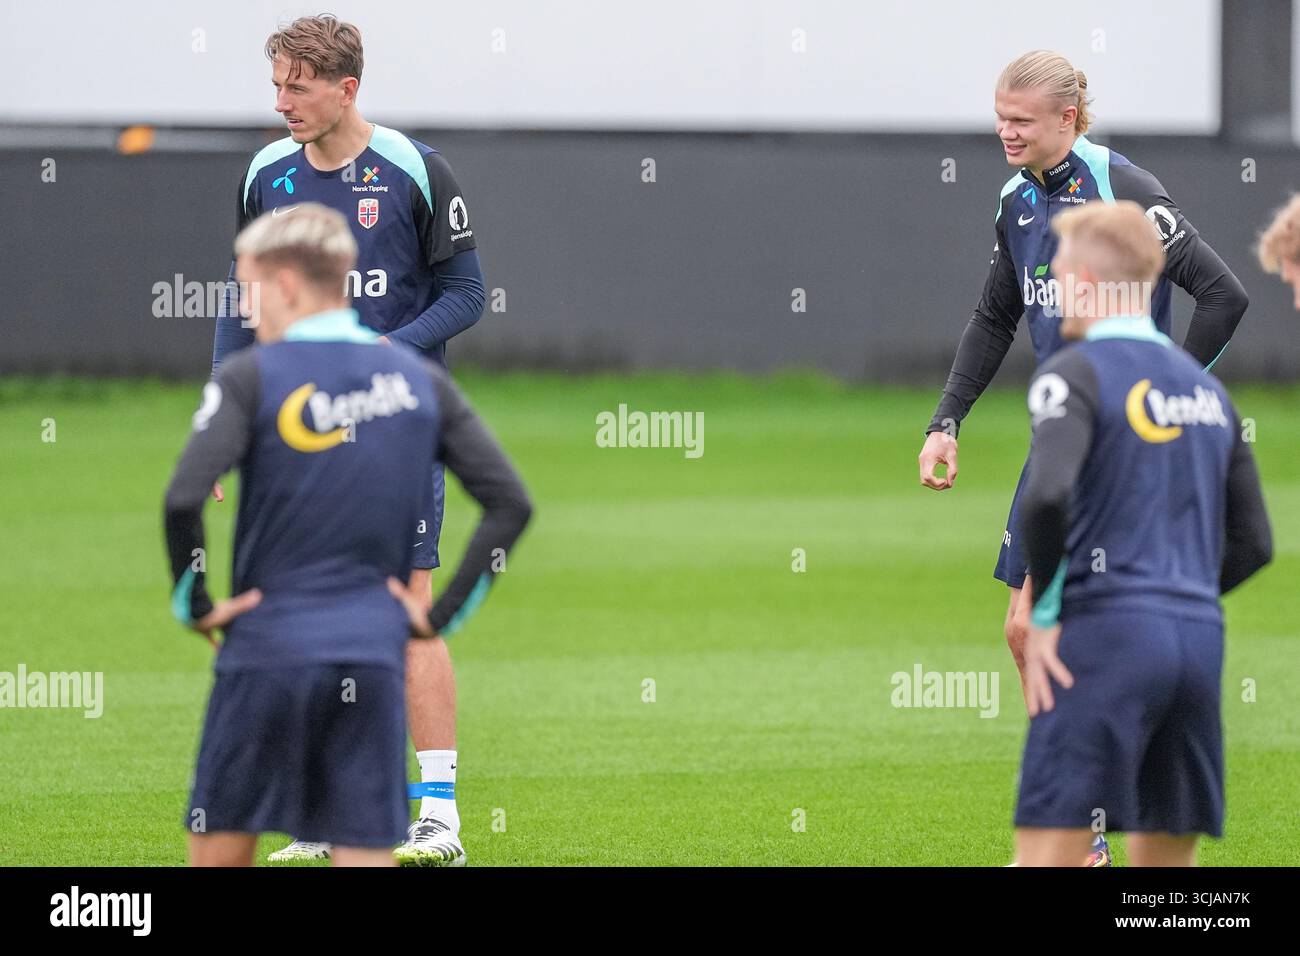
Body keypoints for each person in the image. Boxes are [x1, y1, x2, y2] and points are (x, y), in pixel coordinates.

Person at [915, 50, 1250, 865]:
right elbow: (996, 317)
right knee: (1029, 632)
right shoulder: (1015, 198)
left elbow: (1223, 294)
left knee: (1046, 626)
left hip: (1109, 441)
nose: (1005, 131)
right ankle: (1097, 824)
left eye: (1021, 119)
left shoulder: (1126, 189)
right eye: (1000, 115)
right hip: (1060, 431)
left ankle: (1081, 834)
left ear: (1067, 118)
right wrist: (947, 420)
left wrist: (1161, 394)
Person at [165, 203, 531, 866]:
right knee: (365, 852)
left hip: (263, 653)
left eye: (247, 288)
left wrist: (195, 605)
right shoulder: (419, 381)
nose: (243, 308)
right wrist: (436, 617)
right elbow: (511, 503)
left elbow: (182, 498)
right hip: (370, 655)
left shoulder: (250, 379)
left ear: (284, 286)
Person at [210, 15, 487, 864]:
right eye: (277, 84)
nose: (283, 101)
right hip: (295, 436)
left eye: (299, 85)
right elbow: (245, 301)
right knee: (304, 615)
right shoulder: (267, 174)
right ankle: (328, 810)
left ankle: (436, 812)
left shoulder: (413, 170)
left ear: (347, 88)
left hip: (397, 428)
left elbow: (467, 295)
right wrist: (224, 415)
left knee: (407, 607)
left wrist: (379, 351)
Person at [1012, 201, 1271, 866]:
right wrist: (1174, 596)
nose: (1051, 290)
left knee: (1048, 856)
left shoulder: (1074, 373)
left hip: (1103, 640)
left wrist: (1046, 611)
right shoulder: (1208, 392)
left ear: (1091, 283)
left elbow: (1046, 494)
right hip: (1195, 643)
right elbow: (1255, 543)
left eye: (1060, 274)